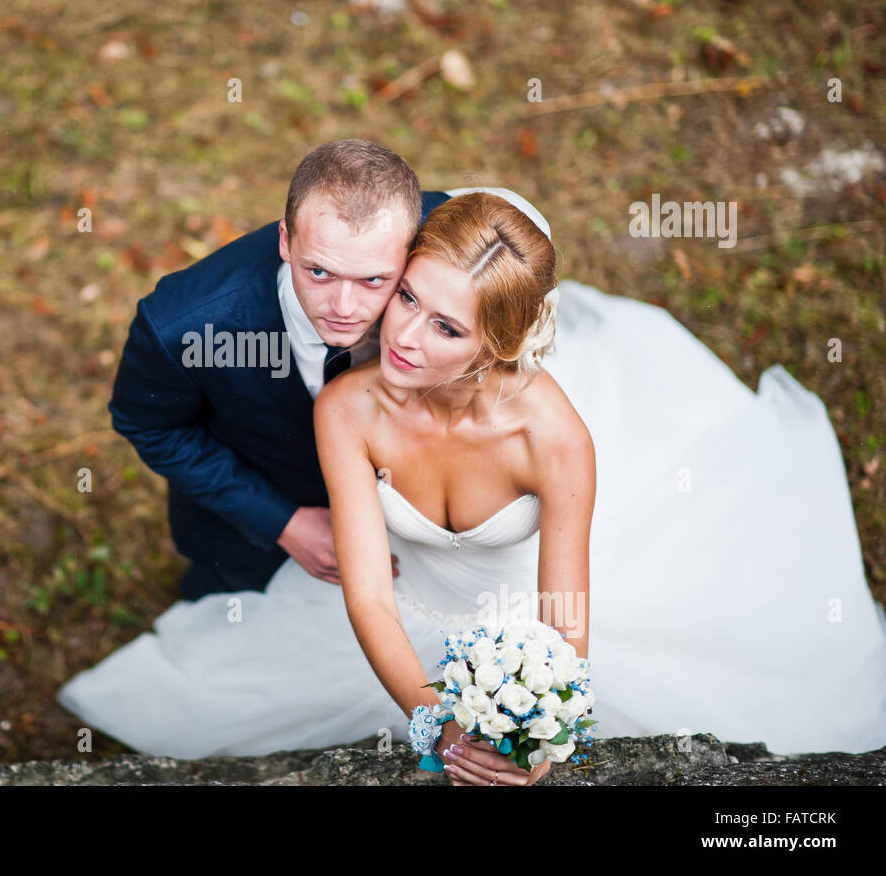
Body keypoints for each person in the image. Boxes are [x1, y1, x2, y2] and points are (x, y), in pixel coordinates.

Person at [58, 188, 886, 778]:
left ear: (496, 347)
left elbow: (564, 617)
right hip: (398, 614)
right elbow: (369, 596)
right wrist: (440, 725)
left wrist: (538, 722)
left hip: (521, 616)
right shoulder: (348, 406)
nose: (403, 336)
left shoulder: (554, 440)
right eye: (407, 297)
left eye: (447, 326)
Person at [107, 138, 450, 599]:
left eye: (373, 279)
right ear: (286, 240)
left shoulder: (450, 239)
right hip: (255, 537)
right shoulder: (183, 325)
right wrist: (283, 523)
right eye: (319, 273)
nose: (344, 308)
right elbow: (148, 425)